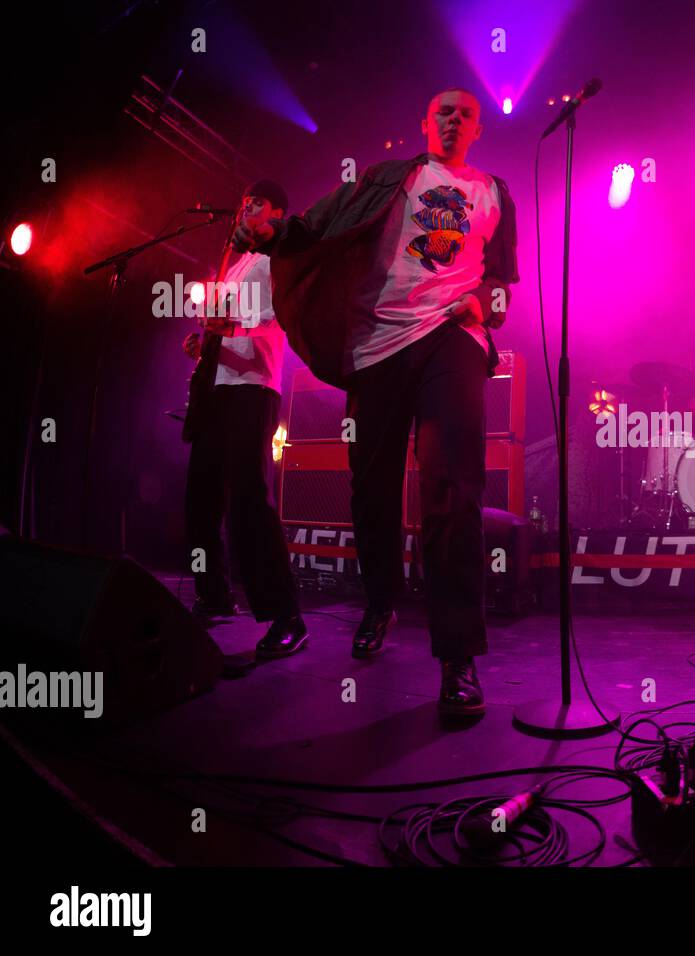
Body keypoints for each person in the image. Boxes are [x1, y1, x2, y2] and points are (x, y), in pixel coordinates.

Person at [232, 88, 518, 716]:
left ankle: (457, 658)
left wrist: (484, 306)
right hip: (377, 345)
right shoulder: (388, 177)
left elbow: (502, 283)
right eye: (443, 110)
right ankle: (382, 601)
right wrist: (267, 233)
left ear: (478, 127)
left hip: (453, 337)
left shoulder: (495, 192)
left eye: (465, 113)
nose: (453, 119)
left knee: (452, 489)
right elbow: (314, 224)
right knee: (372, 487)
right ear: (424, 122)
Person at [183, 180, 307, 659]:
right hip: (218, 387)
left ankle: (286, 616)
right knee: (201, 498)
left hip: (253, 387)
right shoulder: (233, 263)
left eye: (257, 202)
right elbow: (226, 323)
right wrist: (205, 343)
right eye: (244, 201)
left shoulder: (275, 257)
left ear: (276, 212)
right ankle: (215, 596)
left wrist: (228, 327)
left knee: (250, 501)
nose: (245, 207)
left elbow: (276, 312)